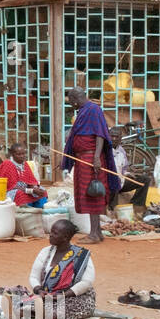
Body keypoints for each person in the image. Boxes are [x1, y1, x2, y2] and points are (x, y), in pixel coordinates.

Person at [62, 88, 119, 243]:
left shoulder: (93, 109)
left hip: (90, 159)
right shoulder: (83, 111)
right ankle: (98, 232)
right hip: (83, 159)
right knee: (89, 194)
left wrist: (96, 158)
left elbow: (100, 134)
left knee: (92, 194)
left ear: (74, 99)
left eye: (70, 102)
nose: (71, 105)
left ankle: (94, 234)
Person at [27, 219, 96, 319]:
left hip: (72, 297)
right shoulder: (45, 252)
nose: (50, 235)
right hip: (49, 296)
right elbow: (33, 277)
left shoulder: (81, 255)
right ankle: (40, 313)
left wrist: (63, 295)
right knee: (26, 303)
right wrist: (39, 290)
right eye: (51, 232)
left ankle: (46, 314)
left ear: (65, 237)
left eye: (55, 233)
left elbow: (87, 282)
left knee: (82, 304)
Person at [107, 126, 150, 211]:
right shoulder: (104, 150)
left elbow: (123, 169)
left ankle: (136, 206)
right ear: (108, 136)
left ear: (121, 138)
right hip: (109, 185)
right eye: (112, 136)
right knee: (114, 180)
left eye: (117, 137)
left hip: (121, 182)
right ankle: (111, 209)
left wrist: (127, 174)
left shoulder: (122, 151)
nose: (114, 139)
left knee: (145, 180)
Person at [0, 143, 47, 208]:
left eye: (23, 153)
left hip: (26, 189)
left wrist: (35, 188)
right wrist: (30, 190)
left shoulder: (24, 164)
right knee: (20, 194)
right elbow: (11, 186)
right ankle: (26, 211)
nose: (22, 156)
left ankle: (39, 209)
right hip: (10, 191)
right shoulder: (7, 164)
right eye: (19, 154)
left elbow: (30, 180)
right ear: (12, 154)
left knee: (42, 191)